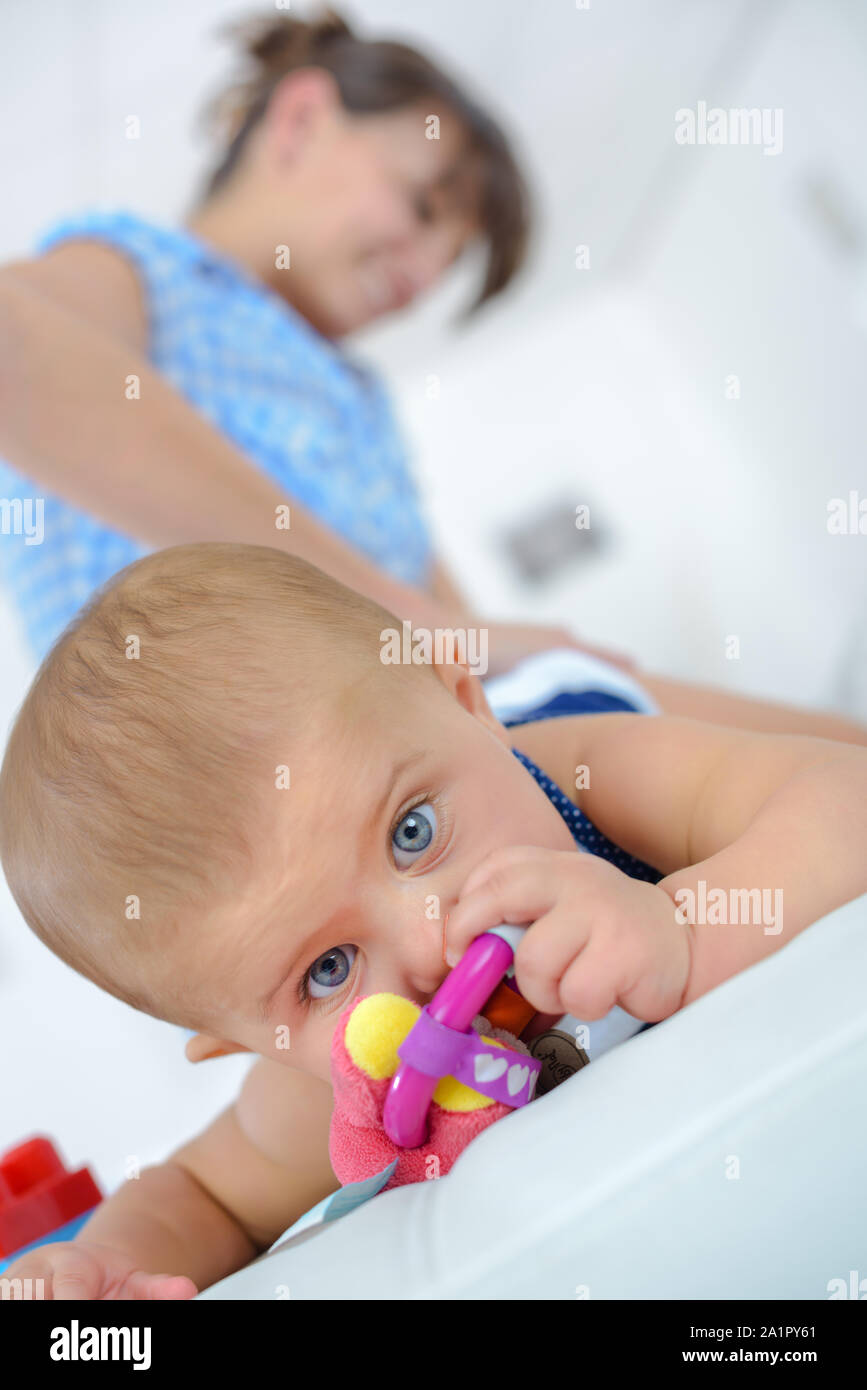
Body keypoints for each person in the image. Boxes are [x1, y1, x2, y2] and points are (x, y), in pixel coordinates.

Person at [1, 541, 865, 1298]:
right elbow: (203, 1194)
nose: (428, 942)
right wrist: (107, 1261)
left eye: (413, 832)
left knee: (821, 739)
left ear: (467, 708)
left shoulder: (596, 778)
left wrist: (680, 928)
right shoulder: (329, 1088)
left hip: (577, 714)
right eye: (326, 971)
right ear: (240, 1041)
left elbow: (842, 801)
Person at [0, 6, 603, 675]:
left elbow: (464, 648)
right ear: (301, 121)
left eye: (450, 262)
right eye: (422, 207)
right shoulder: (145, 276)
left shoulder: (365, 405)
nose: (426, 279)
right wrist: (397, 618)